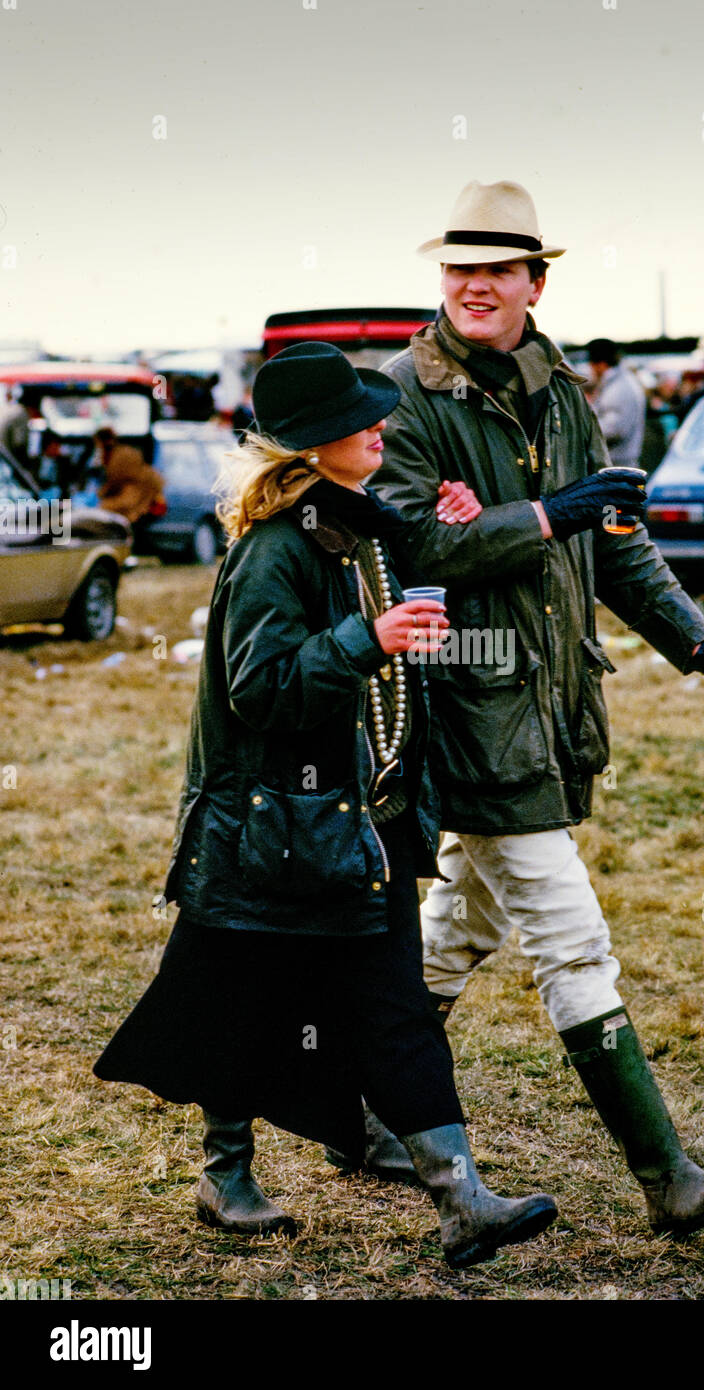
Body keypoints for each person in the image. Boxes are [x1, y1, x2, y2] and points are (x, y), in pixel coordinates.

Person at [337, 179, 704, 1238]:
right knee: (570, 941)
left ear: (537, 280)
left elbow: (613, 544)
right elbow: (412, 543)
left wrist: (700, 642)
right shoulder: (402, 393)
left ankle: (357, 1114)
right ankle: (667, 1177)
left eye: (496, 268)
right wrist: (541, 513)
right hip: (465, 710)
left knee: (463, 926)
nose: (474, 285)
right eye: (457, 268)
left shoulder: (560, 389)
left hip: (555, 709)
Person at [93, 342, 557, 1270]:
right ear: (315, 445)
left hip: (362, 823)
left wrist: (449, 521)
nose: (382, 425)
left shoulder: (355, 524)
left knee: (393, 1009)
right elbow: (259, 687)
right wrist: (366, 637)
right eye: (363, 418)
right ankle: (225, 1176)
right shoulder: (274, 550)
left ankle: (459, 1200)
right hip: (277, 832)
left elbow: (418, 559)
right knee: (231, 1000)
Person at [95, 427, 168, 541]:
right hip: (140, 494)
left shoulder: (120, 455)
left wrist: (101, 493)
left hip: (140, 495)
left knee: (109, 509)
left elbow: (116, 480)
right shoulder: (119, 453)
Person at [586, 337, 646, 466]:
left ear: (601, 365)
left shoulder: (619, 388)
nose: (590, 371)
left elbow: (614, 429)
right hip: (620, 460)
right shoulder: (621, 382)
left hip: (617, 463)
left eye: (591, 366)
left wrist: (583, 431)